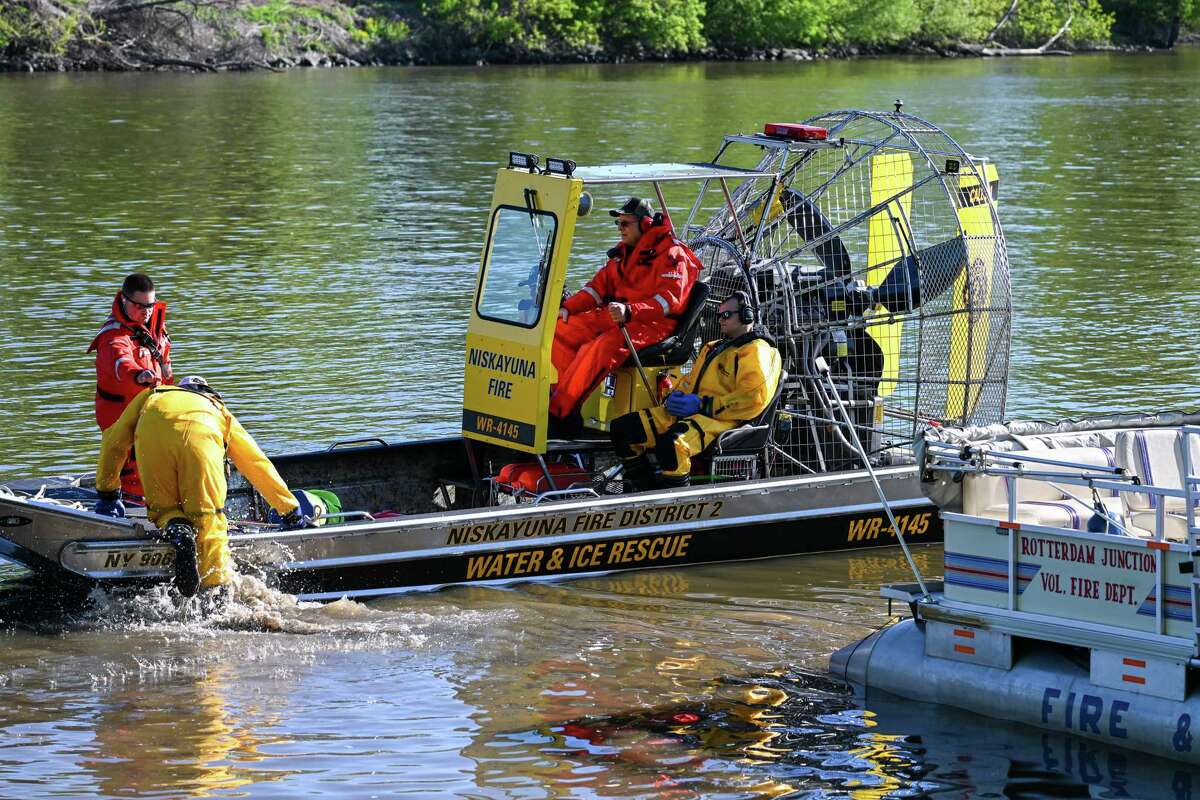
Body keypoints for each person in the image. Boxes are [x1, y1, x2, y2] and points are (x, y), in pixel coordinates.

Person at [93, 376, 313, 597]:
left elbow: (113, 441)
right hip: (202, 436)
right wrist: (290, 510)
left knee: (165, 510)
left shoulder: (152, 394)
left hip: (153, 432)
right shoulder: (219, 410)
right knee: (208, 519)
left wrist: (108, 492)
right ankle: (215, 596)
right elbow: (255, 463)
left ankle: (177, 528)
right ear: (210, 393)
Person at [549, 197, 701, 424]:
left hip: (655, 325)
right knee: (561, 328)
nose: (620, 229)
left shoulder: (672, 255)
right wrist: (566, 308)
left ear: (646, 224)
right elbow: (596, 289)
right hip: (621, 317)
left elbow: (670, 302)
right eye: (618, 224)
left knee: (600, 347)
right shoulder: (623, 254)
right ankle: (560, 396)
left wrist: (631, 311)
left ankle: (561, 414)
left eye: (625, 224)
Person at [610, 291, 782, 489]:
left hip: (723, 419)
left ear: (746, 316)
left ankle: (677, 502)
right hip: (693, 411)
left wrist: (703, 405)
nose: (721, 320)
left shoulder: (756, 351)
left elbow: (753, 399)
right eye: (719, 316)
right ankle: (645, 489)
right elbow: (690, 380)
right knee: (622, 430)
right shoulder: (714, 347)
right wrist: (673, 395)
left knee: (672, 445)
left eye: (726, 315)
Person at [88, 273, 174, 498]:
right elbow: (120, 362)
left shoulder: (154, 327)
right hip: (121, 416)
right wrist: (138, 375)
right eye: (140, 306)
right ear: (124, 300)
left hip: (152, 410)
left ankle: (159, 500)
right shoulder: (112, 336)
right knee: (131, 468)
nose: (146, 312)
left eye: (150, 305)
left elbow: (165, 363)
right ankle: (127, 511)